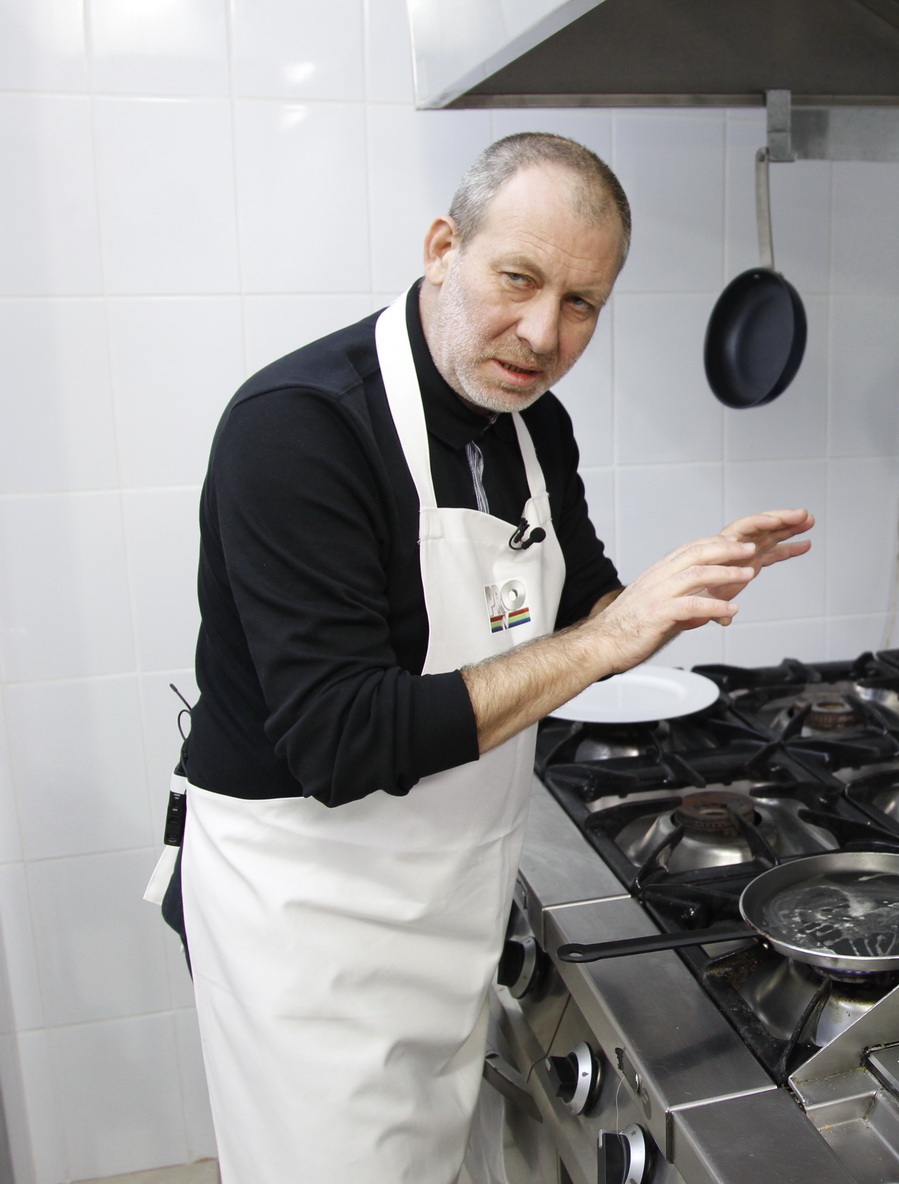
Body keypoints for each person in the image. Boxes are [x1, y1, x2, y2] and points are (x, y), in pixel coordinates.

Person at [144, 132, 814, 1184]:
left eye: (583, 302)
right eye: (518, 279)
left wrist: (665, 600)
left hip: (451, 898)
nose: (543, 333)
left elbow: (586, 598)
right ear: (443, 245)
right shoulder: (299, 430)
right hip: (309, 928)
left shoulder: (533, 427)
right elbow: (341, 737)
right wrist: (605, 636)